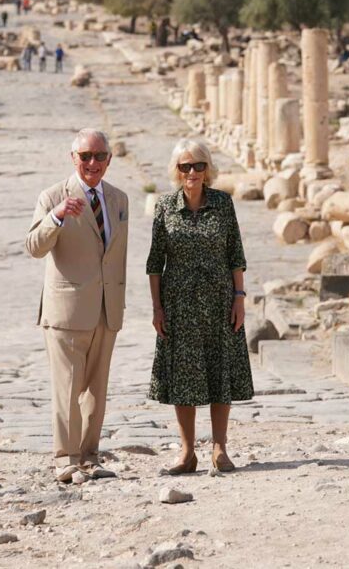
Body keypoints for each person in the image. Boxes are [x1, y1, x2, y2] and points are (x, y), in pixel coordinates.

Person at [25, 129, 129, 484]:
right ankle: (65, 459)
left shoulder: (118, 199)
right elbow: (34, 247)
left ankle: (89, 457)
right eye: (85, 156)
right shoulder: (53, 195)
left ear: (109, 160)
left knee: (96, 391)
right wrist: (55, 217)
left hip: (106, 306)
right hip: (67, 309)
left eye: (99, 156)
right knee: (67, 389)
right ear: (73, 158)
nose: (92, 163)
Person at [146, 138, 252, 475]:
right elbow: (154, 263)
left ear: (208, 169)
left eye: (198, 166)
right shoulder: (164, 206)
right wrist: (157, 309)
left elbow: (235, 254)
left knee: (221, 372)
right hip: (178, 304)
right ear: (176, 171)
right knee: (183, 378)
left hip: (220, 301)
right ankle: (187, 451)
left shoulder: (223, 203)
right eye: (185, 166)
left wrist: (239, 298)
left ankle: (220, 449)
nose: (192, 172)